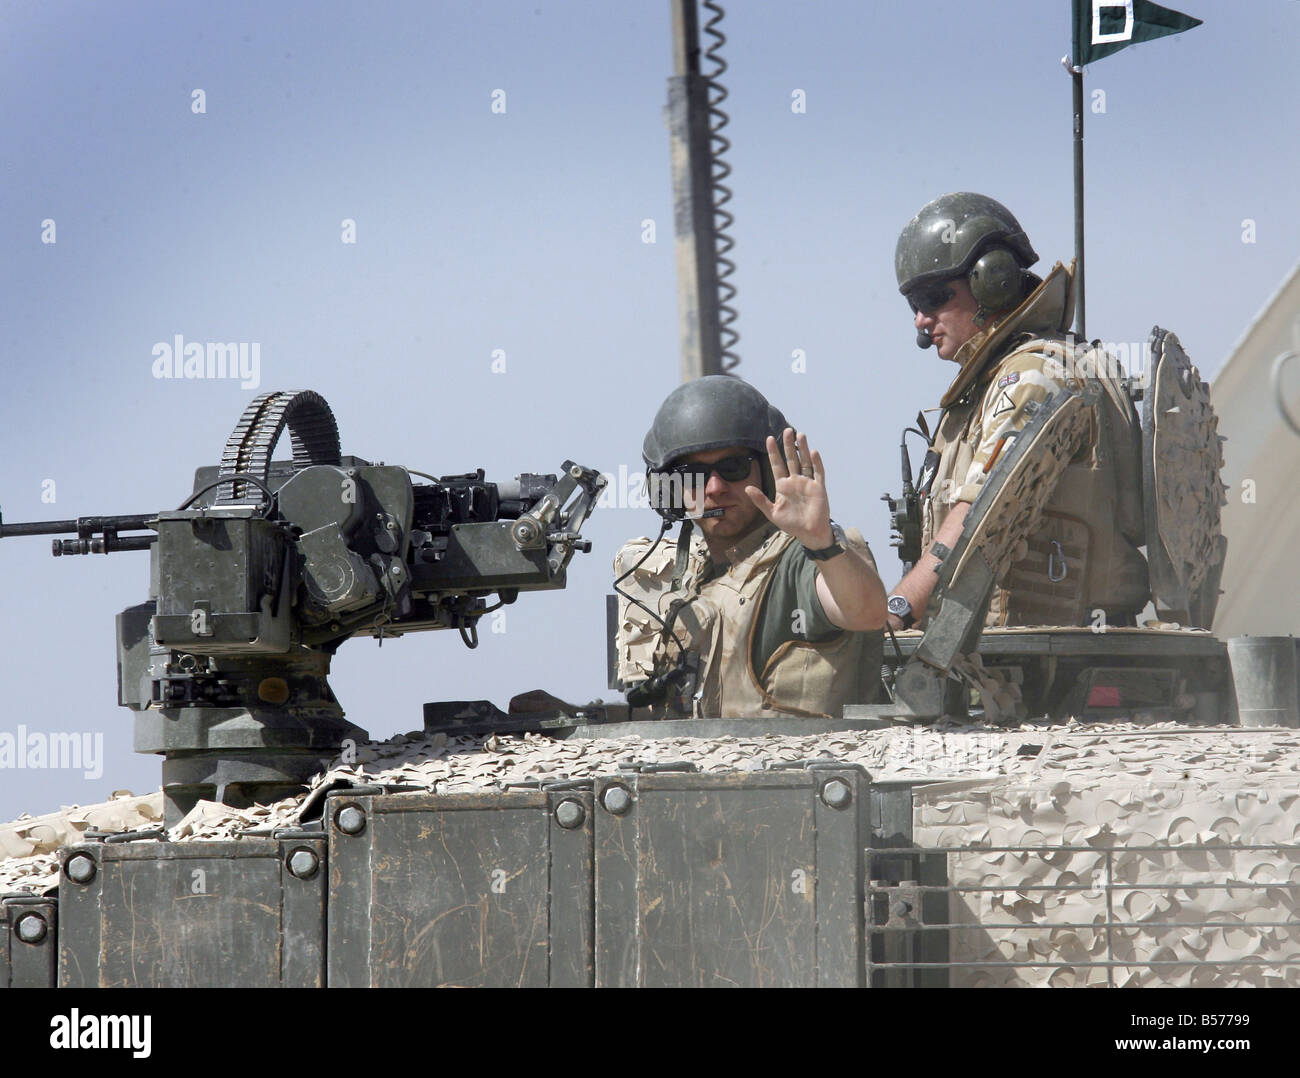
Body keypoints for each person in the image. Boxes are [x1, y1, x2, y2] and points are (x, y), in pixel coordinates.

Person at [884, 192, 1148, 631]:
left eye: (932, 297)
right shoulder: (993, 383)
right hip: (1023, 648)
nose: (920, 320)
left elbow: (983, 511)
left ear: (993, 280)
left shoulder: (1033, 375)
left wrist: (899, 607)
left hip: (1054, 657)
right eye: (913, 306)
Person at [614, 376, 886, 719]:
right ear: (669, 489)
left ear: (768, 476)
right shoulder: (671, 577)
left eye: (733, 468)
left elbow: (866, 613)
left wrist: (821, 543)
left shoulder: (803, 559)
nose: (714, 488)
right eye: (694, 474)